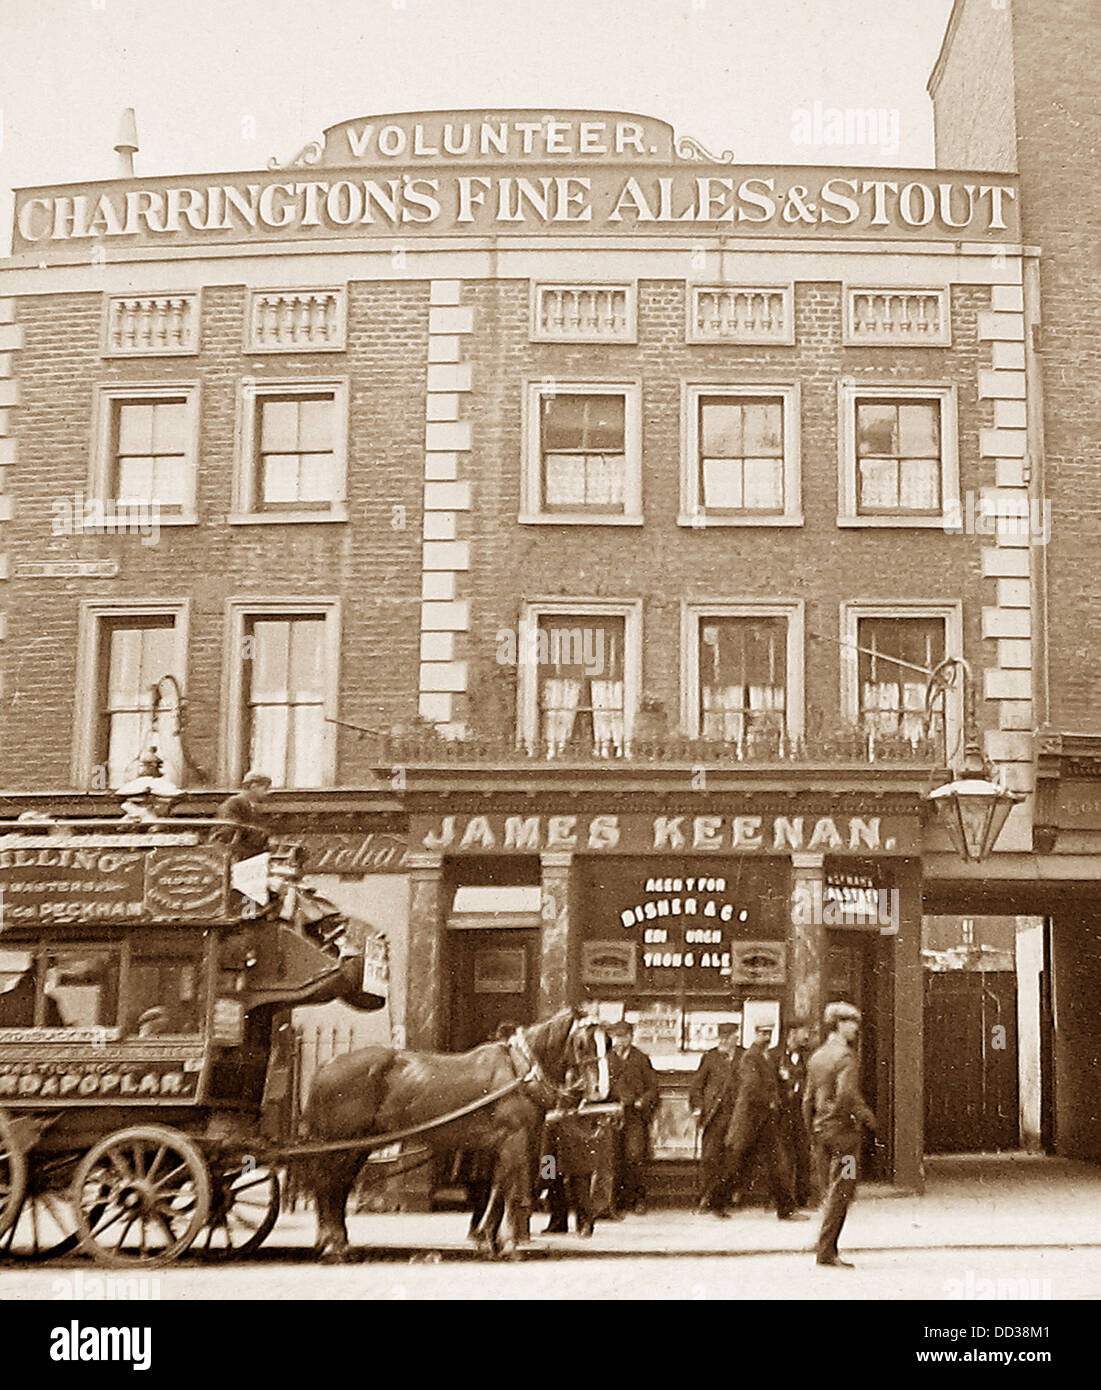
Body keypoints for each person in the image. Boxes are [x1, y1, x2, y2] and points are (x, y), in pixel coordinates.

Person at [803, 1001, 877, 1269]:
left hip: (822, 1131)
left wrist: (814, 1128)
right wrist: (869, 1120)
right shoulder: (845, 1057)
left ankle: (824, 1244)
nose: (856, 1028)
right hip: (844, 1135)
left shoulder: (817, 1056)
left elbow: (807, 1099)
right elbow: (847, 1095)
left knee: (829, 1189)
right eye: (851, 1023)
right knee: (842, 1190)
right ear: (839, 1025)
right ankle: (826, 1250)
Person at [724, 1022, 808, 1221]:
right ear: (755, 1034)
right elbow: (752, 1088)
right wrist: (771, 1101)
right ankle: (715, 1201)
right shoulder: (751, 1057)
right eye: (763, 1033)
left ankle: (785, 1209)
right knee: (737, 1163)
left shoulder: (766, 1057)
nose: (767, 1037)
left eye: (769, 1033)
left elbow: (775, 1081)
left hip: (764, 1122)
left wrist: (783, 1083)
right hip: (751, 1120)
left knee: (777, 1163)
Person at [689, 1022, 742, 1216]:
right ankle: (706, 1198)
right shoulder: (710, 1058)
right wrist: (697, 1108)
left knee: (731, 1160)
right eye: (731, 1037)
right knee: (710, 1158)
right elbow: (696, 1086)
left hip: (737, 1116)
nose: (733, 1040)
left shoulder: (743, 1056)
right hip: (715, 1116)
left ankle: (722, 1199)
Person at [606, 1021, 659, 1215]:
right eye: (617, 1037)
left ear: (630, 1037)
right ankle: (616, 1202)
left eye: (623, 1036)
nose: (620, 1040)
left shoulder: (640, 1059)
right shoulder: (606, 1059)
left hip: (634, 1116)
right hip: (611, 1115)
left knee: (635, 1157)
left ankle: (638, 1199)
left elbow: (653, 1088)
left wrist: (642, 1101)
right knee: (613, 1158)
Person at [772, 1020, 813, 1210]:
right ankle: (783, 1200)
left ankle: (802, 1199)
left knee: (803, 1156)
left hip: (802, 1114)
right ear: (791, 1033)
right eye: (803, 1032)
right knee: (783, 1158)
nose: (806, 1036)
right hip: (780, 1115)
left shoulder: (808, 1057)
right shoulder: (775, 1056)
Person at [216, 770, 273, 838]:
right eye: (265, 789)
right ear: (253, 787)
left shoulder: (250, 804)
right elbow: (229, 830)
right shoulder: (235, 803)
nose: (267, 793)